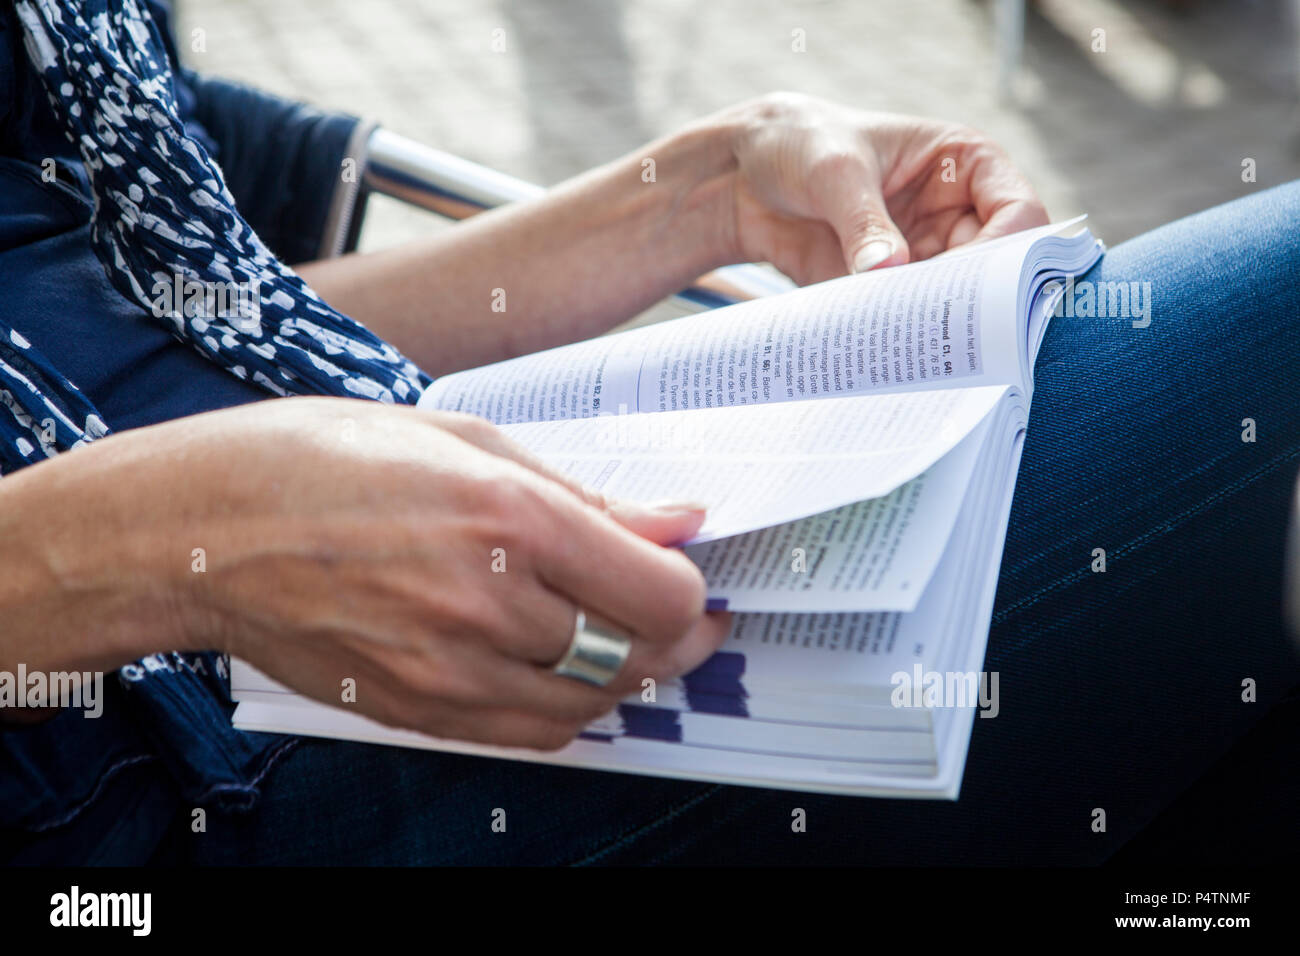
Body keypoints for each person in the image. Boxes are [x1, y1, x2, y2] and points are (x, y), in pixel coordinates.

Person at [2, 0, 1296, 866]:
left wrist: (698, 192)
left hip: (351, 514)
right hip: (149, 753)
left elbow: (146, 315)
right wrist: (155, 539)